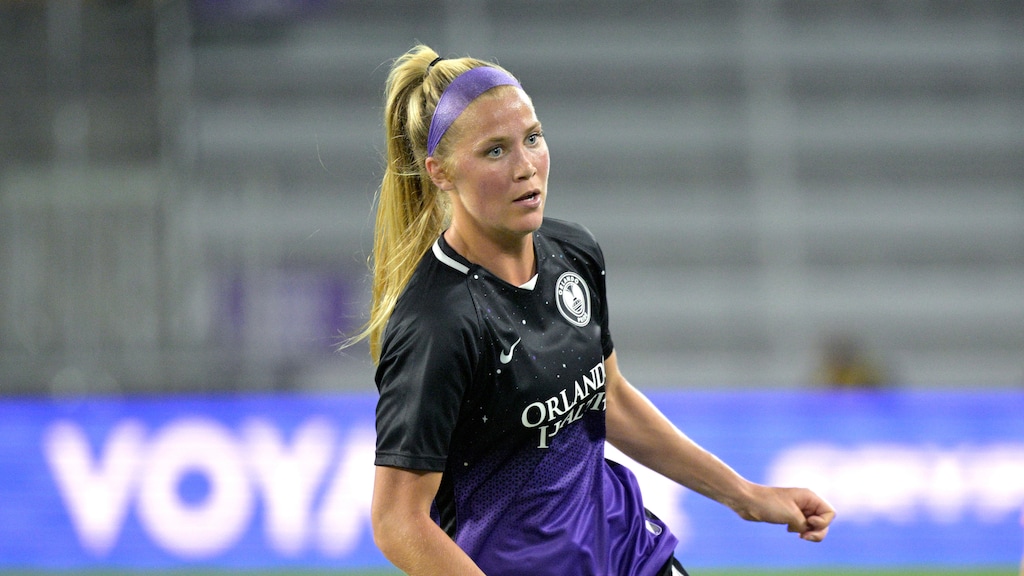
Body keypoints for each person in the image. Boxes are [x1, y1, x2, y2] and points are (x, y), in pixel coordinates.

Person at [348, 44, 835, 576]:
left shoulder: (573, 252)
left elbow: (612, 398)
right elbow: (397, 521)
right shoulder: (437, 323)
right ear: (440, 172)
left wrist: (747, 496)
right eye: (495, 150)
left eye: (533, 137)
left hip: (629, 551)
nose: (525, 167)